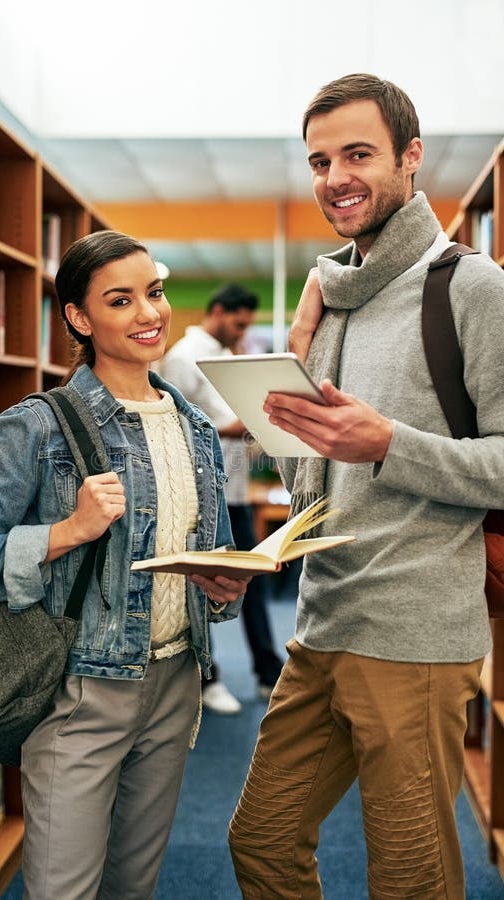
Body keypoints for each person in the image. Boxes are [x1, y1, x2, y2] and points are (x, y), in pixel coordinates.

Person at [228, 73, 504, 899]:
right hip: (322, 621)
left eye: (357, 154)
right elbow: (312, 479)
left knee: (410, 879)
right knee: (262, 843)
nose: (334, 178)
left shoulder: (471, 288)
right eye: (318, 161)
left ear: (410, 158)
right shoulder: (330, 298)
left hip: (414, 637)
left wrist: (390, 442)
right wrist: (301, 351)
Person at [0, 230, 250, 900]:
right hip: (80, 690)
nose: (149, 314)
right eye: (121, 300)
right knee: (64, 890)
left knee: (133, 886)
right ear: (78, 317)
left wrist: (222, 589)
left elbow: (201, 564)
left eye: (154, 294)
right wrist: (65, 532)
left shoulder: (195, 430)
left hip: (175, 682)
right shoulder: (38, 426)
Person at [161, 284, 285, 713]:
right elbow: (177, 426)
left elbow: (226, 422)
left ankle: (268, 672)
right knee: (203, 585)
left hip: (234, 490)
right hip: (200, 494)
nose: (242, 332)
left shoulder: (225, 357)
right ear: (217, 311)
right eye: (239, 323)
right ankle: (207, 680)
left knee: (249, 582)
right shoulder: (181, 358)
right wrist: (248, 424)